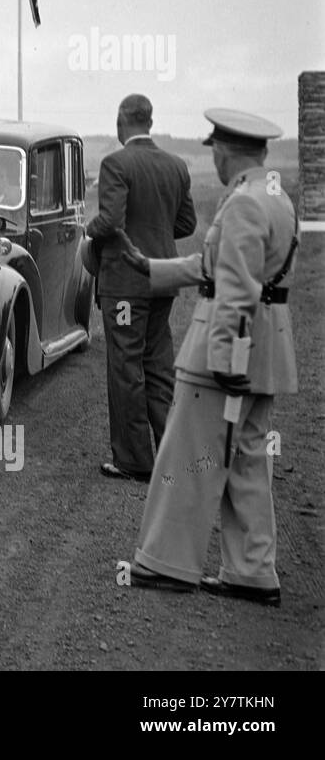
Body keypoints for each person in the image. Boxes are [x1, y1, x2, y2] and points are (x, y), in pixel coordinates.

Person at [122, 109, 296, 605]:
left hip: (228, 355)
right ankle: (252, 572)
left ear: (225, 150)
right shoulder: (275, 197)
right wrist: (154, 268)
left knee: (190, 458)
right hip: (266, 350)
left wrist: (225, 360)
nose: (214, 160)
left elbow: (236, 290)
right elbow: (226, 268)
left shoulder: (242, 203)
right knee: (247, 462)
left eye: (214, 151)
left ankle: (168, 564)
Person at [86, 94, 196, 482]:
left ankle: (134, 461)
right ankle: (170, 455)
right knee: (159, 368)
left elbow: (111, 219)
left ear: (121, 122)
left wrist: (90, 230)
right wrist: (156, 233)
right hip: (162, 279)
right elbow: (186, 225)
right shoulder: (177, 165)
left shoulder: (116, 163)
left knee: (126, 368)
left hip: (125, 285)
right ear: (149, 121)